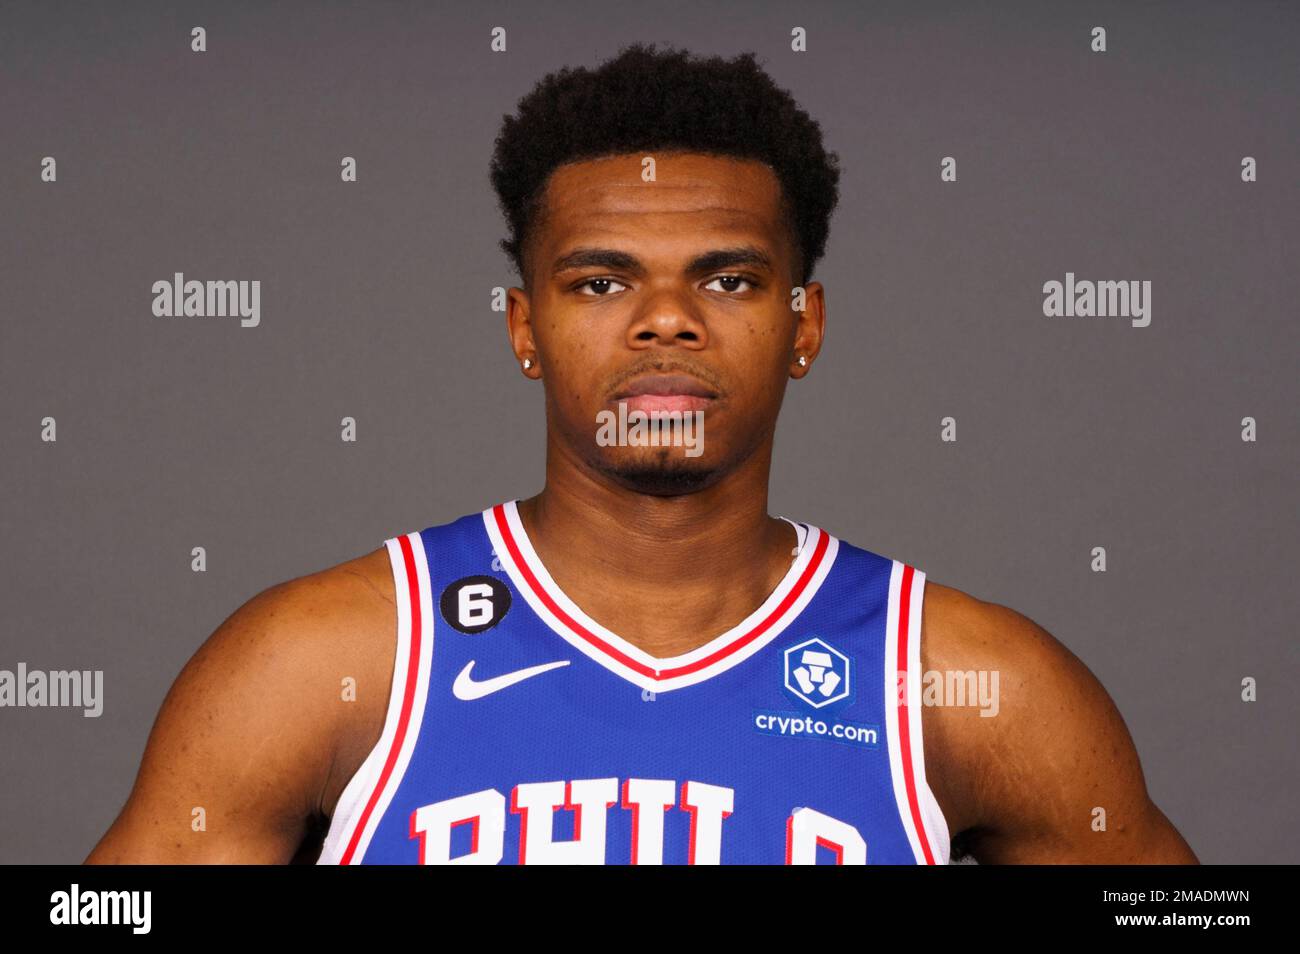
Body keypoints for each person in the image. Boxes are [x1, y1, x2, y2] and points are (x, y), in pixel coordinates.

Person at [86, 43, 1196, 865]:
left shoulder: (968, 686)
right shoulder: (320, 662)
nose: (665, 320)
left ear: (803, 325)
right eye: (602, 282)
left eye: (726, 278)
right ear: (526, 329)